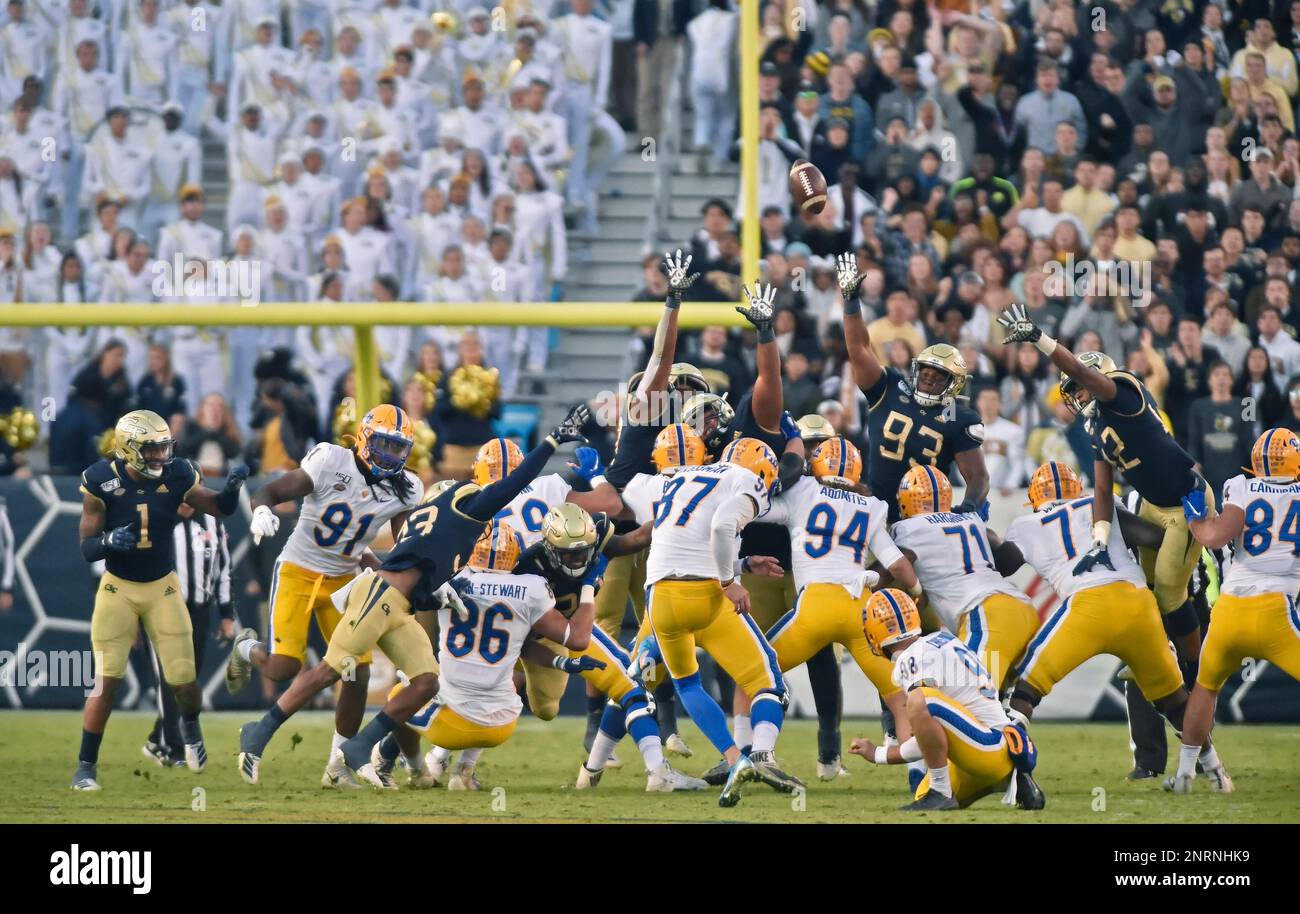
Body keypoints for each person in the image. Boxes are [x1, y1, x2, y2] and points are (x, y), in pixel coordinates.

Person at [235, 404, 591, 785]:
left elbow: (410, 554)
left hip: (387, 595)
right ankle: (258, 733)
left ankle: (353, 752)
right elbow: (509, 487)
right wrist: (552, 441)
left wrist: (440, 591)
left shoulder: (414, 496)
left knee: (425, 681)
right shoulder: (466, 513)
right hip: (375, 593)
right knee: (329, 668)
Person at [990, 461, 1233, 792]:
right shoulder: (1100, 506)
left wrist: (980, 532)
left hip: (1087, 607)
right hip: (1137, 606)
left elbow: (1004, 565)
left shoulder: (1027, 523)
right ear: (1077, 488)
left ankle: (1011, 773)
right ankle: (1216, 772)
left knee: (1026, 689)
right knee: (1175, 702)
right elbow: (1155, 538)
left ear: (1034, 497)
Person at [225, 406, 423, 788]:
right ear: (365, 438)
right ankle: (246, 648)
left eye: (399, 448)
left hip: (344, 580)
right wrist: (261, 508)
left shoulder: (405, 488)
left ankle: (337, 764)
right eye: (383, 444)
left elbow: (407, 541)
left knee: (356, 671)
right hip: (299, 569)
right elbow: (273, 490)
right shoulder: (331, 459)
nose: (390, 454)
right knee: (283, 667)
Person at [72, 410, 247, 790]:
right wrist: (106, 542)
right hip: (118, 588)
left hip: (163, 587)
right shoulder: (101, 480)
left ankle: (189, 722)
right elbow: (86, 548)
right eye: (152, 450)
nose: (160, 457)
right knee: (107, 682)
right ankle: (85, 766)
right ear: (130, 449)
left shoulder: (179, 473)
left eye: (164, 448)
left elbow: (219, 508)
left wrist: (231, 491)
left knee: (184, 679)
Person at [737, 436, 922, 781]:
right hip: (860, 610)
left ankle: (750, 754)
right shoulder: (871, 506)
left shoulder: (802, 490)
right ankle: (921, 777)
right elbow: (897, 565)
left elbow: (758, 510)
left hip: (816, 605)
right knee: (899, 695)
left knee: (754, 672)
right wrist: (917, 590)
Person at [1174, 428, 1300, 792]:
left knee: (1205, 687)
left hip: (1230, 609)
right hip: (1275, 609)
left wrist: (1196, 517)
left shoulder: (1242, 487)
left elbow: (1214, 536)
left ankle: (1184, 775)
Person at [850, 588, 1045, 811]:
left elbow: (923, 705)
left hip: (987, 748)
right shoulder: (941, 640)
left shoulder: (910, 657)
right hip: (989, 750)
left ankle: (941, 792)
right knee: (921, 792)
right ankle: (1010, 779)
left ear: (873, 635)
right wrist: (877, 753)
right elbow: (930, 740)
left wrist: (879, 754)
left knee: (920, 699)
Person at [837, 253, 989, 522]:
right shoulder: (891, 387)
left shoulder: (957, 415)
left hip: (926, 517)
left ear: (954, 384)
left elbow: (977, 476)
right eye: (926, 371)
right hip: (876, 509)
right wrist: (851, 301)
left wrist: (970, 506)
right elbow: (858, 349)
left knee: (998, 549)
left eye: (940, 376)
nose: (929, 378)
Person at [141, 499, 235, 767]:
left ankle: (156, 739)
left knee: (188, 683)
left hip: (199, 611)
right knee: (172, 680)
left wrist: (226, 613)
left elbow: (223, 569)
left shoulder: (213, 522)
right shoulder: (156, 519)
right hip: (161, 610)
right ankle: (174, 749)